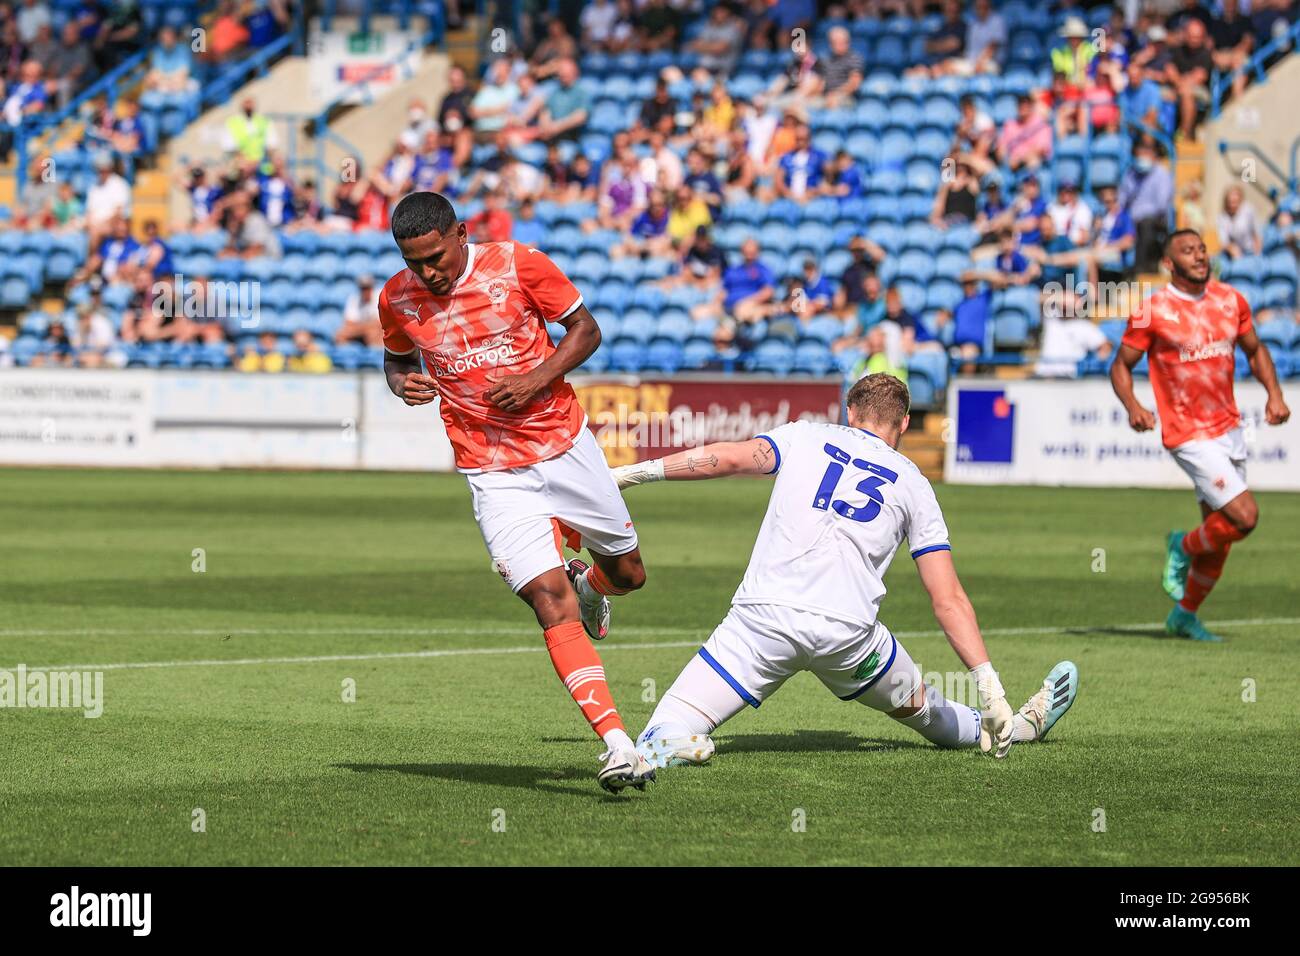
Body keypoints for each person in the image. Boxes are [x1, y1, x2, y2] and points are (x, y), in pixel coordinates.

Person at [609, 374, 1079, 770]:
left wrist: (635, 473)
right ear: (904, 424)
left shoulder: (805, 435)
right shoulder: (914, 483)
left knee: (667, 723)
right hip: (849, 637)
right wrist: (987, 682)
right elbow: (947, 597)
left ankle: (674, 740)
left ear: (850, 412)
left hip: (764, 621)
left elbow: (729, 457)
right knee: (924, 711)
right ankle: (1014, 724)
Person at [377, 192, 653, 793]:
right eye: (413, 260)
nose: (428, 272)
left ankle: (592, 584)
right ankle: (618, 745)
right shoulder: (396, 297)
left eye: (435, 257)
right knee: (547, 601)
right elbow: (395, 357)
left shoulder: (518, 265)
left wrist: (536, 378)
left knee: (629, 575)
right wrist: (402, 384)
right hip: (491, 470)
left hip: (564, 446)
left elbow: (586, 329)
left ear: (461, 233)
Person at [1110, 230, 1290, 642]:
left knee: (1222, 537)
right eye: (1187, 251)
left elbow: (1255, 349)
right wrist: (1134, 407)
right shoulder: (1152, 311)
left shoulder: (1231, 300)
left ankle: (1184, 615)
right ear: (1169, 264)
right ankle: (1181, 545)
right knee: (1246, 517)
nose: (1199, 256)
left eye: (1202, 249)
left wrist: (1274, 394)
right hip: (1186, 432)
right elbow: (1120, 365)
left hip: (1229, 428)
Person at [1217, 185, 1261, 259]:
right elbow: (1224, 241)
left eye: (1235, 202)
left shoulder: (1248, 210)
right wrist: (1232, 249)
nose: (1232, 205)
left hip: (1250, 251)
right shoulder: (1222, 217)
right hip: (1233, 253)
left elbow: (1256, 233)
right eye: (1230, 202)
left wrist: (1257, 254)